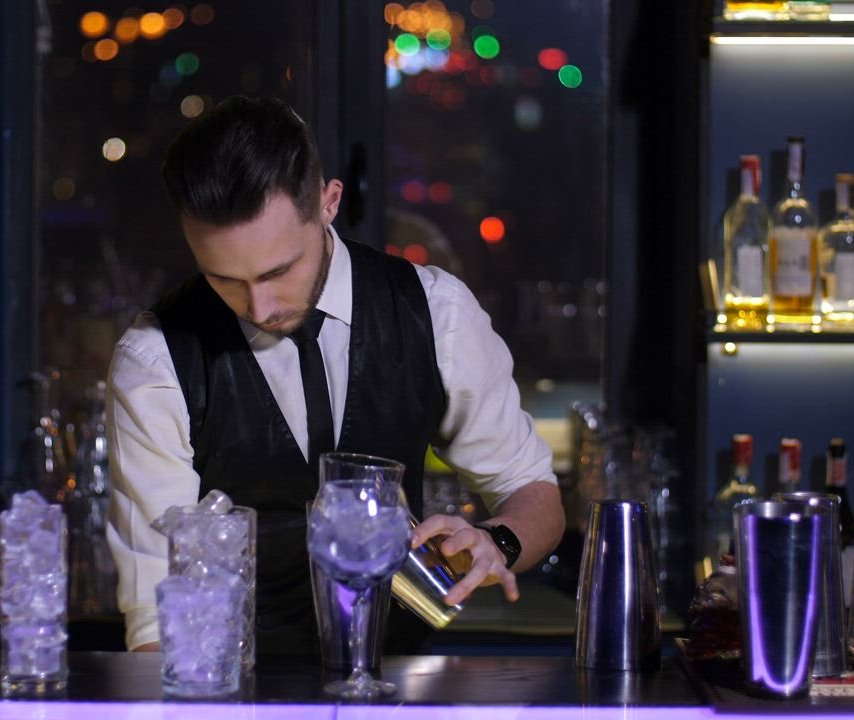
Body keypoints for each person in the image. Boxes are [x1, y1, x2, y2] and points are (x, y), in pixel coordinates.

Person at [106, 96, 565, 654]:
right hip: (232, 690)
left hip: (400, 682)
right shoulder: (154, 360)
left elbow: (531, 491)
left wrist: (498, 542)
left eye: (280, 270)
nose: (259, 305)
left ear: (329, 203)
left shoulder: (436, 313)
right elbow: (157, 621)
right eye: (223, 278)